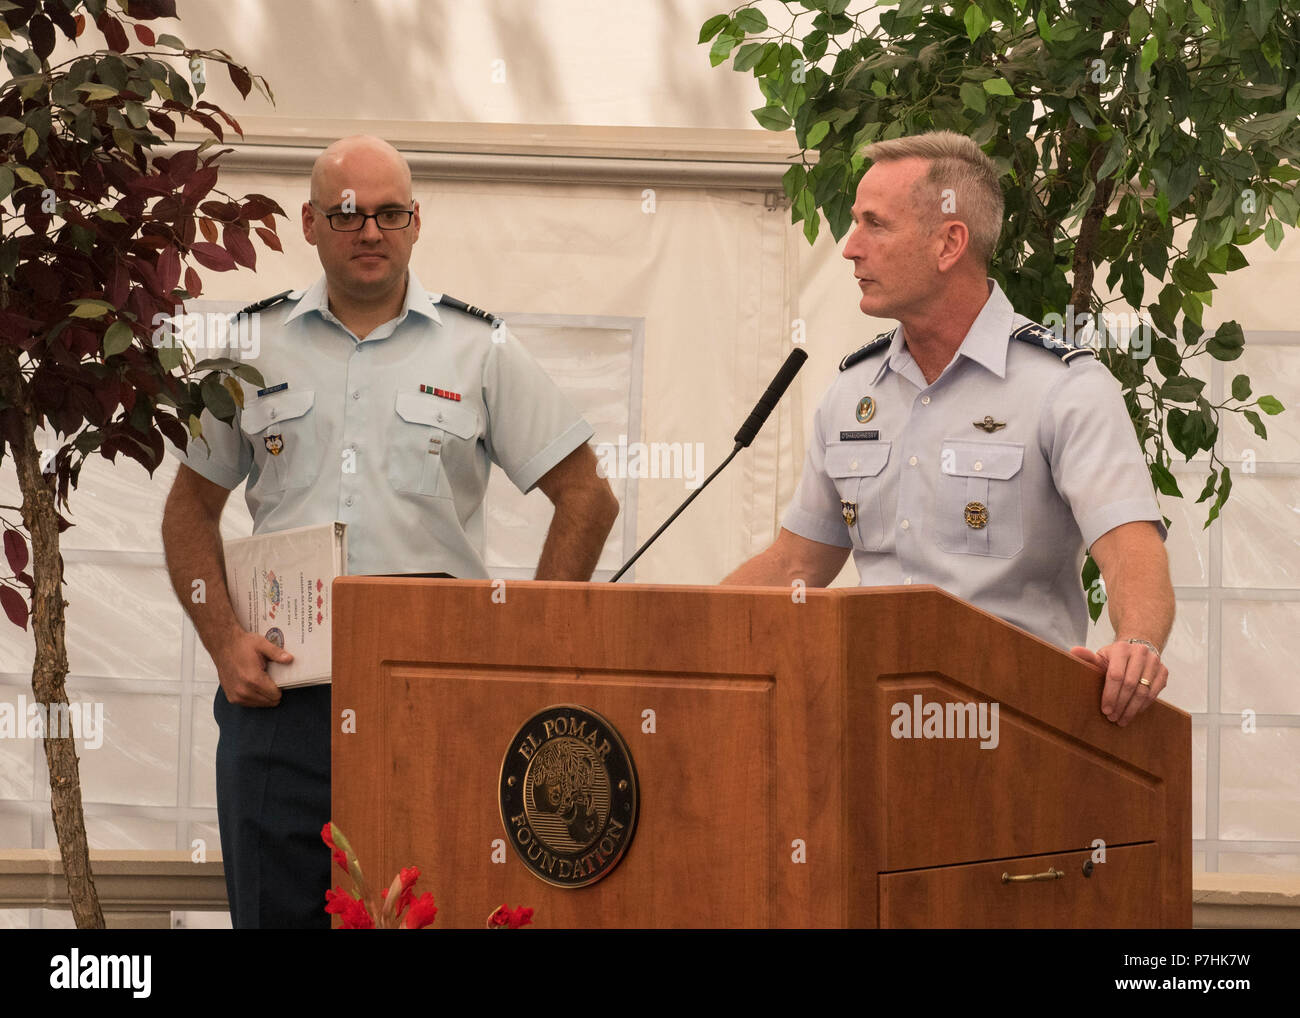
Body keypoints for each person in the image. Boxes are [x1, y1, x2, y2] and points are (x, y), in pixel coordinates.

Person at [160, 135, 619, 928]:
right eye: (345, 214)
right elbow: (189, 512)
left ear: (416, 221)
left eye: (388, 213)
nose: (368, 231)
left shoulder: (481, 349)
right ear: (308, 223)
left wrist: (531, 648)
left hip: (433, 696)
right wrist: (221, 640)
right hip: (282, 696)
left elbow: (587, 496)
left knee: (432, 916)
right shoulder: (250, 345)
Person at [723, 130, 1174, 728]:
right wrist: (678, 632)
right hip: (866, 722)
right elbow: (794, 566)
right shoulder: (852, 393)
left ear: (948, 243)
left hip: (1014, 728)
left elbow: (1131, 550)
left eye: (874, 225)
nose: (849, 248)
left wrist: (1137, 643)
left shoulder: (1063, 388)